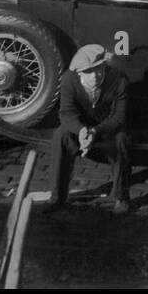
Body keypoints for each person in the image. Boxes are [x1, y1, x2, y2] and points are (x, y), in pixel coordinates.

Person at [41, 45, 130, 215]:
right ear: (79, 73)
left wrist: (94, 132)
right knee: (61, 136)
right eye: (89, 72)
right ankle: (57, 197)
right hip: (81, 128)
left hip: (108, 129)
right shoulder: (68, 79)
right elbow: (66, 113)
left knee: (122, 140)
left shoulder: (120, 80)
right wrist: (82, 131)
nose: (96, 75)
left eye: (99, 69)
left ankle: (121, 196)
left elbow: (118, 118)